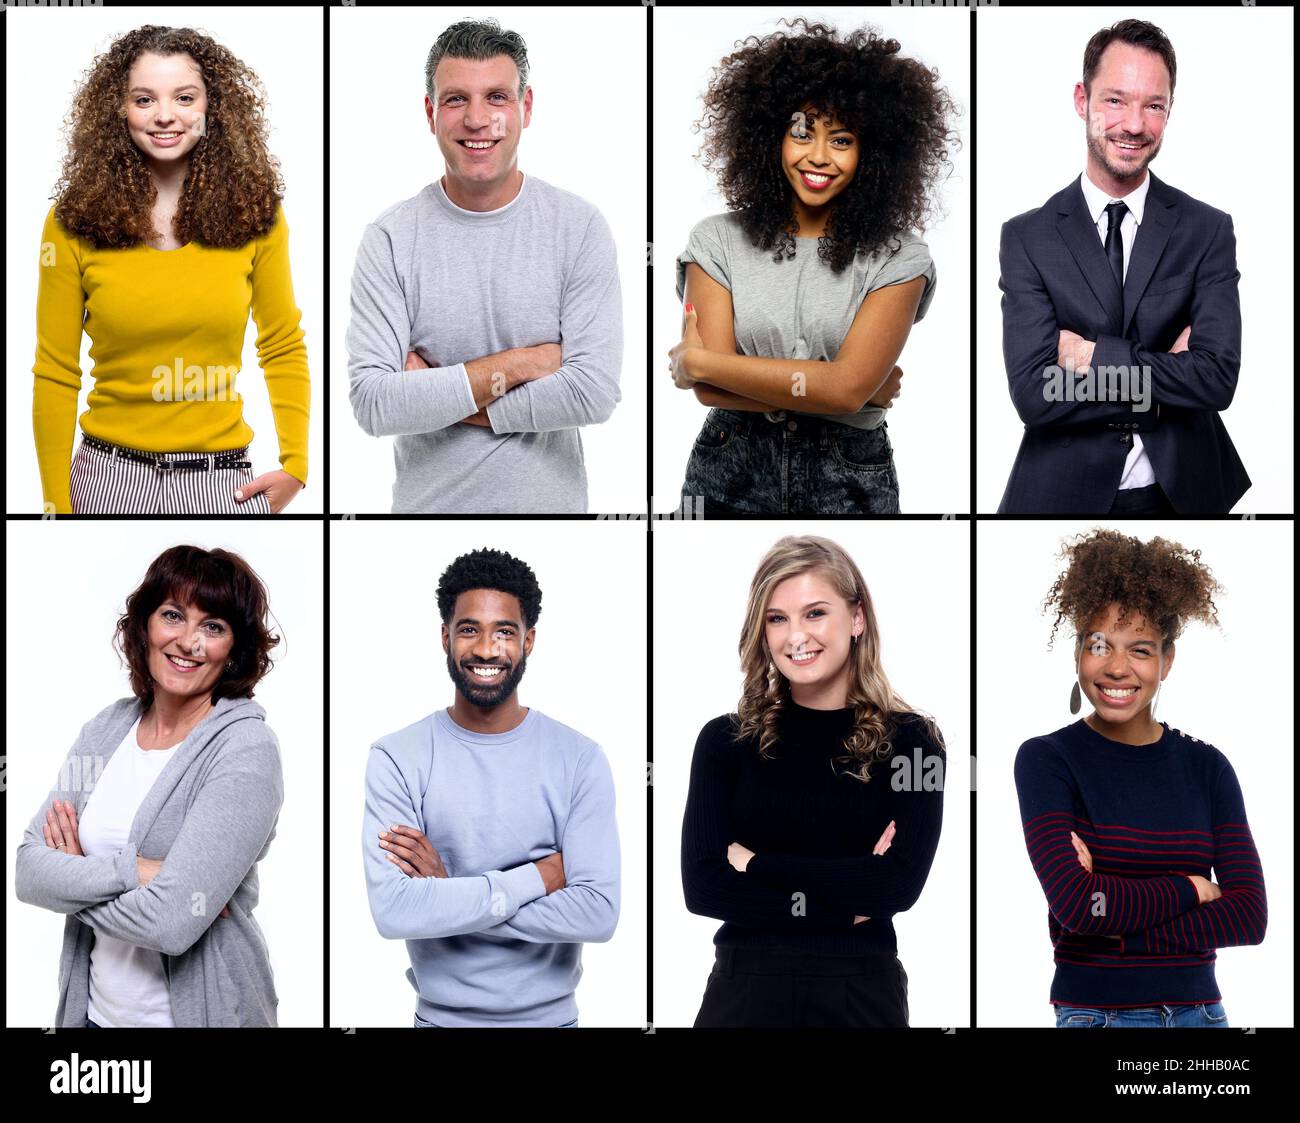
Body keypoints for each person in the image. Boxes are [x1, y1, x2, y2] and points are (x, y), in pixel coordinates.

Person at [667, 19, 954, 514]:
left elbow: (841, 391)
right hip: (730, 465)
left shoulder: (899, 256)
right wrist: (850, 391)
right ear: (770, 137)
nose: (818, 157)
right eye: (802, 134)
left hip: (848, 473)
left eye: (841, 140)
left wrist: (699, 362)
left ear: (873, 152)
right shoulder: (716, 240)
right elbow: (713, 393)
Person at [345, 18, 623, 514]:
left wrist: (438, 394)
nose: (477, 119)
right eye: (456, 100)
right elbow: (375, 404)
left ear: (525, 107)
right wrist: (528, 363)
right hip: (424, 522)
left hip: (554, 523)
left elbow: (592, 394)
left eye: (496, 97)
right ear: (431, 113)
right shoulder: (389, 238)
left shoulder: (579, 227)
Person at [31, 25, 310, 516]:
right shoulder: (71, 222)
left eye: (184, 97)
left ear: (211, 109)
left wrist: (297, 466)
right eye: (144, 99)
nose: (165, 116)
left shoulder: (256, 215)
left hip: (221, 481)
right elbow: (56, 370)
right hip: (106, 478)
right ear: (118, 111)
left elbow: (282, 343)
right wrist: (56, 503)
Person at [680, 535, 945, 1027]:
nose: (795, 636)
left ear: (857, 618)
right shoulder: (722, 741)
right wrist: (845, 902)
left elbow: (897, 887)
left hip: (860, 996)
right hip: (743, 997)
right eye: (777, 619)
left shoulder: (916, 742)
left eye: (815, 613)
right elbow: (703, 889)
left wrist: (756, 863)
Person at [15, 546, 285, 1027]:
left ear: (235, 650)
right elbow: (29, 872)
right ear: (145, 625)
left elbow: (173, 922)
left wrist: (74, 879)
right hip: (92, 1021)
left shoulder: (246, 749)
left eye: (213, 627)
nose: (188, 642)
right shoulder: (103, 731)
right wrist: (135, 872)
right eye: (173, 615)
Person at [1015, 530, 1266, 1027]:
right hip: (1096, 1016)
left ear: (1167, 661)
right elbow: (1078, 907)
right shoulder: (1047, 760)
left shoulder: (1208, 768)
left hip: (1201, 1015)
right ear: (1078, 653)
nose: (1116, 668)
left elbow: (1249, 917)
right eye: (1099, 645)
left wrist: (1112, 927)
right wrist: (1192, 888)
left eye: (1141, 650)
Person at [997, 19, 1249, 514]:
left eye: (1153, 105)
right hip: (1060, 493)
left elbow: (1216, 379)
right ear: (1081, 100)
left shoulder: (1207, 230)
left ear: (1169, 111)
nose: (1134, 124)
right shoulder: (1027, 237)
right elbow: (1034, 394)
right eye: (1115, 99)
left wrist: (1092, 356)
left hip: (1186, 492)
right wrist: (1170, 377)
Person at [362, 548, 620, 1027]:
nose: (485, 649)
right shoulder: (397, 757)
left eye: (504, 631)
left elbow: (597, 914)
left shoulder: (580, 759)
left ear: (530, 640)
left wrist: (448, 894)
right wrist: (538, 879)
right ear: (445, 637)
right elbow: (394, 911)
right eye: (469, 630)